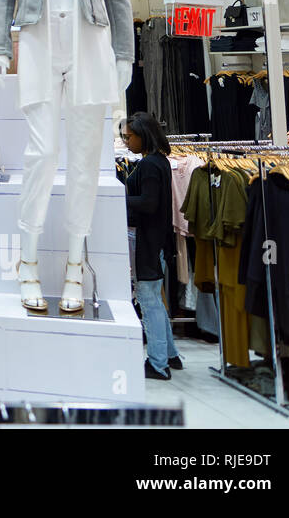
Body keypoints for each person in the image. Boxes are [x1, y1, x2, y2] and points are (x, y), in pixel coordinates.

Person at [121, 111, 182, 381]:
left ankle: (158, 364)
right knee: (154, 299)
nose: (126, 142)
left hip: (149, 240)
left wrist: (117, 198)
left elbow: (148, 203)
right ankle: (169, 354)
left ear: (142, 135)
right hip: (156, 239)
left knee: (149, 300)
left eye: (129, 137)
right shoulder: (158, 162)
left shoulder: (148, 166)